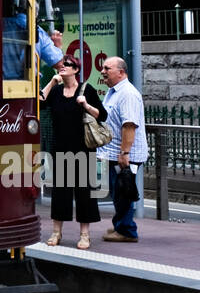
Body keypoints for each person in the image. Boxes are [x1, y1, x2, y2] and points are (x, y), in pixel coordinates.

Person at [41, 55, 108, 249]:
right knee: (60, 192)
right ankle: (56, 232)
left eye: (68, 65)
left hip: (83, 149)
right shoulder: (56, 91)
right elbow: (39, 101)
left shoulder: (87, 90)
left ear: (76, 70)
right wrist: (52, 81)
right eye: (62, 64)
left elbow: (102, 115)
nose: (63, 67)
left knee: (84, 193)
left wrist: (86, 105)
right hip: (60, 147)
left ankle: (84, 235)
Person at [98, 56, 148, 243]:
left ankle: (127, 231)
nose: (103, 71)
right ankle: (120, 224)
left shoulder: (127, 93)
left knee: (124, 191)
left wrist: (124, 153)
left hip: (126, 155)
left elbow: (129, 125)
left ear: (121, 72)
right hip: (115, 153)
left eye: (107, 68)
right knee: (118, 191)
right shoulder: (113, 92)